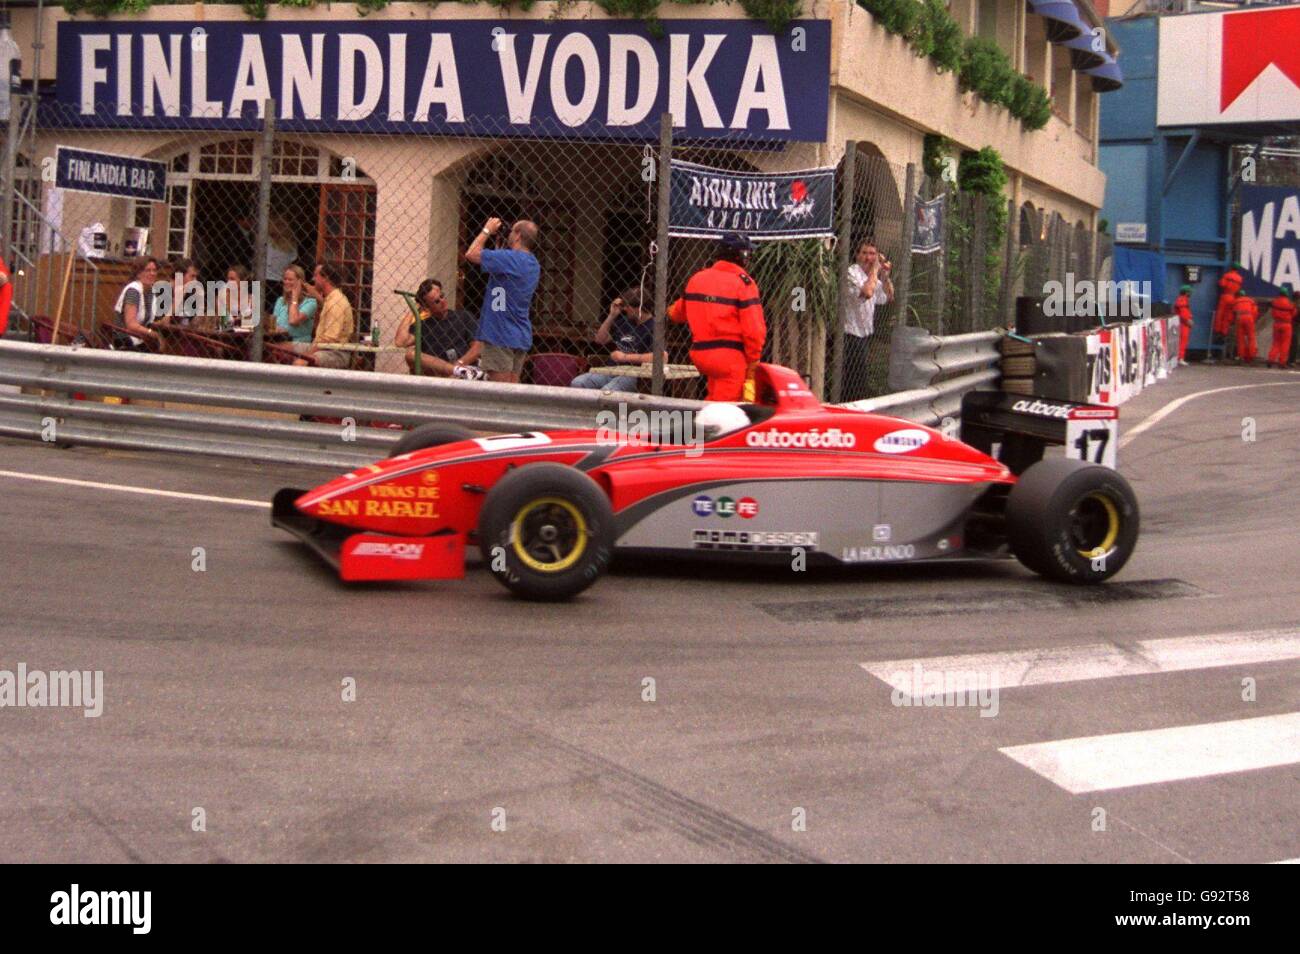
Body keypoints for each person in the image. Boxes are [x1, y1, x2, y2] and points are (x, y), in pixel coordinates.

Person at [666, 232, 766, 401]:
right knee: (726, 410)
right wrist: (753, 360)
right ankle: (703, 427)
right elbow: (754, 330)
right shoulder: (743, 283)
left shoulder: (697, 279)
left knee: (714, 398)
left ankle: (700, 424)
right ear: (743, 256)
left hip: (701, 354)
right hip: (729, 358)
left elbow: (677, 314)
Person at [459, 217, 540, 383]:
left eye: (512, 232)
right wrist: (498, 253)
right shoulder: (533, 264)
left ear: (517, 236)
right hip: (519, 333)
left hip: (500, 334)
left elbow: (471, 253)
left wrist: (486, 230)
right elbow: (502, 294)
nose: (509, 234)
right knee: (512, 388)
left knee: (500, 392)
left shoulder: (509, 259)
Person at [570, 288, 659, 392]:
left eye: (627, 306)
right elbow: (600, 340)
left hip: (632, 375)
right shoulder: (625, 321)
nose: (624, 309)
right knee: (578, 383)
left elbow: (662, 357)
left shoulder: (653, 326)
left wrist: (625, 357)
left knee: (607, 391)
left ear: (638, 308)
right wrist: (611, 316)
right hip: (610, 370)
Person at [841, 239, 895, 400]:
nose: (868, 257)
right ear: (857, 255)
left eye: (872, 254)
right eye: (864, 253)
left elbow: (889, 297)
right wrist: (876, 269)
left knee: (859, 377)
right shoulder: (852, 272)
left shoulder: (872, 277)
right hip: (850, 333)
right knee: (854, 379)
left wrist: (885, 276)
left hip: (865, 334)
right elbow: (867, 292)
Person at [395, 277, 480, 378]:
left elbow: (478, 347)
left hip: (466, 370)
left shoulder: (464, 316)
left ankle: (459, 371)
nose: (442, 301)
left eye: (442, 296)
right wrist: (414, 310)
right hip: (440, 375)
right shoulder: (423, 325)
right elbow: (400, 342)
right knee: (411, 355)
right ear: (426, 307)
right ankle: (456, 371)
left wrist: (460, 363)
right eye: (436, 301)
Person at [295, 262, 354, 368]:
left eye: (316, 275)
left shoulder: (335, 302)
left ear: (325, 278)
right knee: (283, 348)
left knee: (300, 363)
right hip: (320, 345)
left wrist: (307, 355)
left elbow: (328, 339)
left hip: (334, 351)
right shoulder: (330, 298)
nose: (313, 279)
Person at [112, 256, 162, 350]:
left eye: (154, 270)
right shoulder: (133, 291)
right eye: (148, 270)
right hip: (125, 338)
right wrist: (151, 333)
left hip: (141, 338)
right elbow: (131, 324)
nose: (152, 273)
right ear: (138, 273)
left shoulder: (151, 292)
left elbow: (153, 320)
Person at [271, 264, 318, 345]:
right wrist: (277, 329)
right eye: (285, 279)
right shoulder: (281, 300)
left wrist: (295, 296)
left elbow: (293, 321)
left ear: (300, 282)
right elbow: (273, 325)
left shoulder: (311, 302)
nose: (286, 282)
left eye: (290, 279)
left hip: (299, 343)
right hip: (279, 340)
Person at [1209, 262, 1243, 363]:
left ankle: (1217, 331)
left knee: (1220, 314)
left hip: (1225, 296)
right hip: (1232, 298)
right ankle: (1224, 332)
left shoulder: (1227, 275)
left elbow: (1221, 284)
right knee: (1227, 317)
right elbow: (1238, 289)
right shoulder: (1240, 278)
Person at [217, 264, 255, 329]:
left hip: (246, 335)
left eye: (232, 279)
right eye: (228, 279)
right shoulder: (222, 296)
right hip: (226, 334)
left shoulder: (252, 299)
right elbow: (223, 322)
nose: (228, 282)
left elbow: (252, 324)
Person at [1266, 285, 1295, 369]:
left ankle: (1271, 359)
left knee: (1276, 343)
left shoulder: (1275, 302)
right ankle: (1282, 362)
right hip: (1286, 325)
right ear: (1286, 294)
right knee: (1285, 344)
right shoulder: (1290, 303)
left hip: (1277, 324)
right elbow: (1294, 313)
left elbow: (1272, 312)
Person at [1233, 293, 1259, 364]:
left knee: (1240, 339)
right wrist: (1253, 320)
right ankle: (1252, 356)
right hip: (1249, 318)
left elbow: (1234, 311)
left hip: (1239, 318)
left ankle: (1241, 356)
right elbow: (1255, 311)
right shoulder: (1250, 301)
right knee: (1251, 337)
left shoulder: (1236, 301)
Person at [1173, 284, 1194, 366]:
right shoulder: (1182, 299)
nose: (1191, 294)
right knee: (1182, 341)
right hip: (1183, 323)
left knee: (1182, 341)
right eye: (1190, 292)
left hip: (1182, 322)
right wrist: (1188, 320)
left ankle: (1180, 358)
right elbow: (1183, 311)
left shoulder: (1182, 299)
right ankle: (1180, 358)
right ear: (1186, 292)